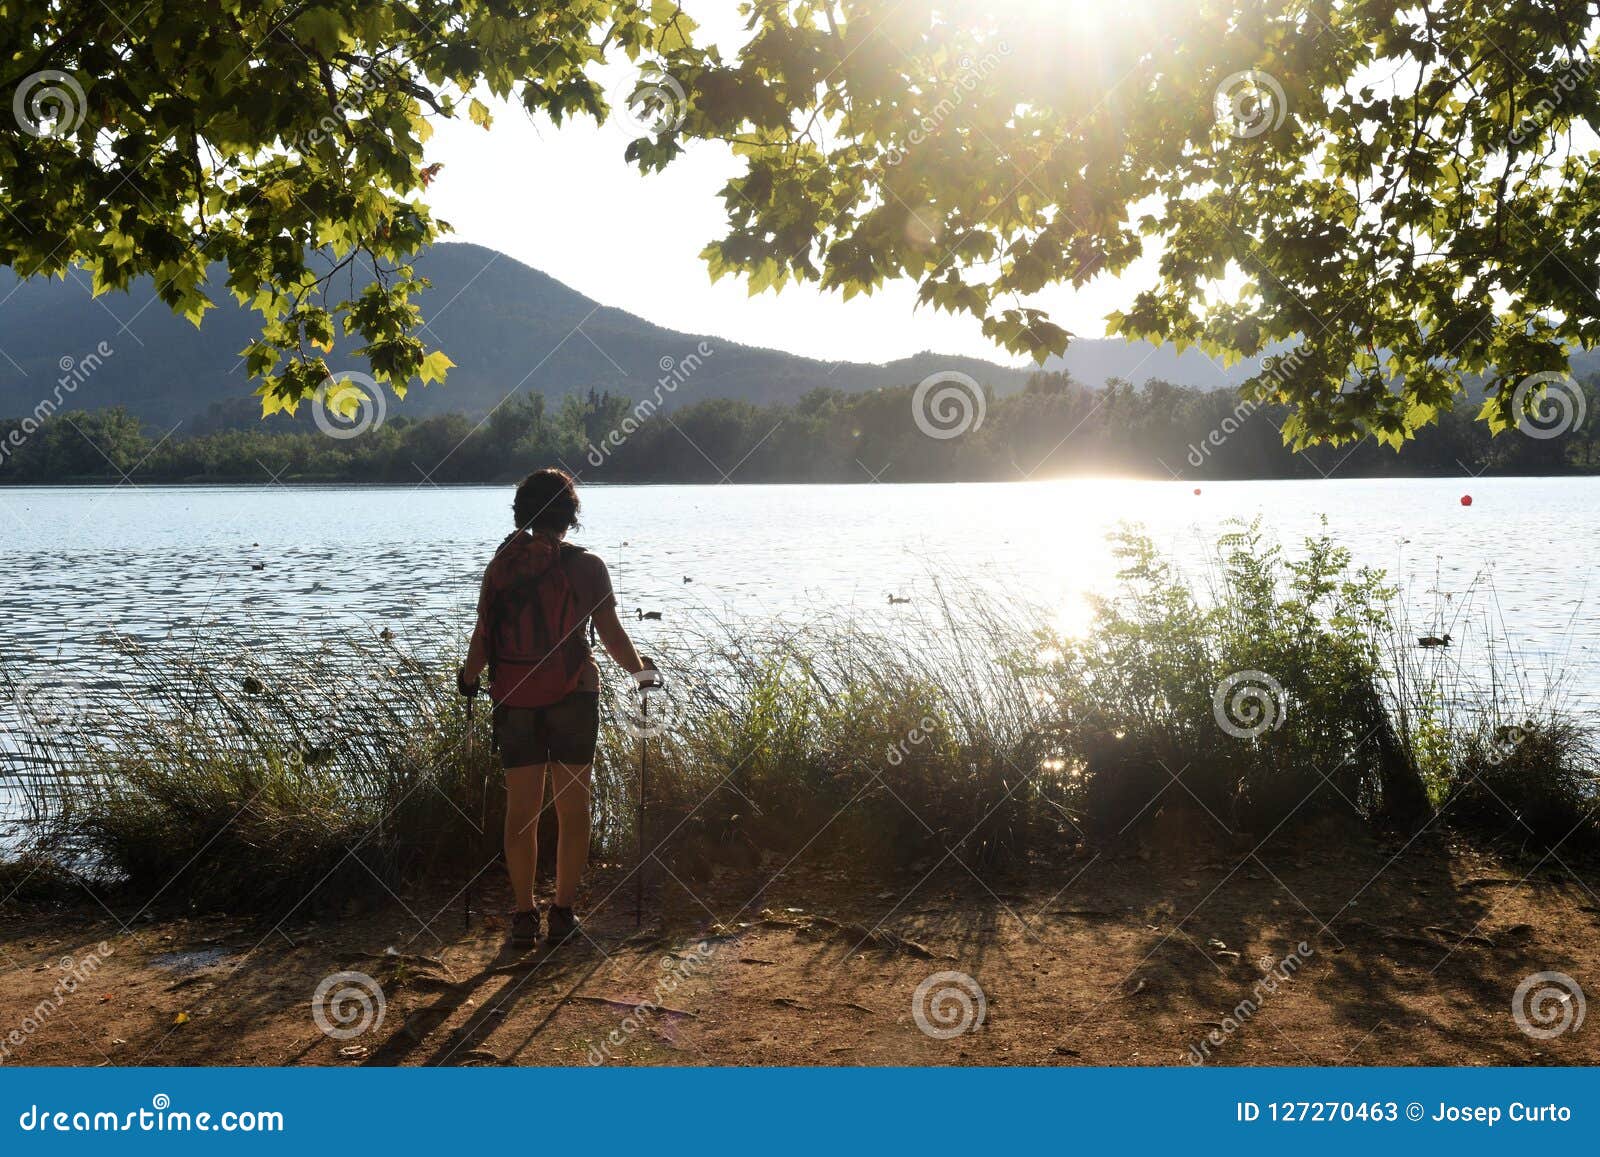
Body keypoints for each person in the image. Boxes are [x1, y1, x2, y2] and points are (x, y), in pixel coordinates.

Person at [457, 468, 657, 948]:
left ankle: (524, 916)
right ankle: (563, 914)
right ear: (571, 515)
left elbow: (482, 639)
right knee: (573, 808)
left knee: (521, 812)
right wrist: (640, 674)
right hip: (574, 696)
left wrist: (468, 679)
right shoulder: (587, 567)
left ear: (522, 513)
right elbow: (611, 634)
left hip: (515, 701)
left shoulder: (501, 565)